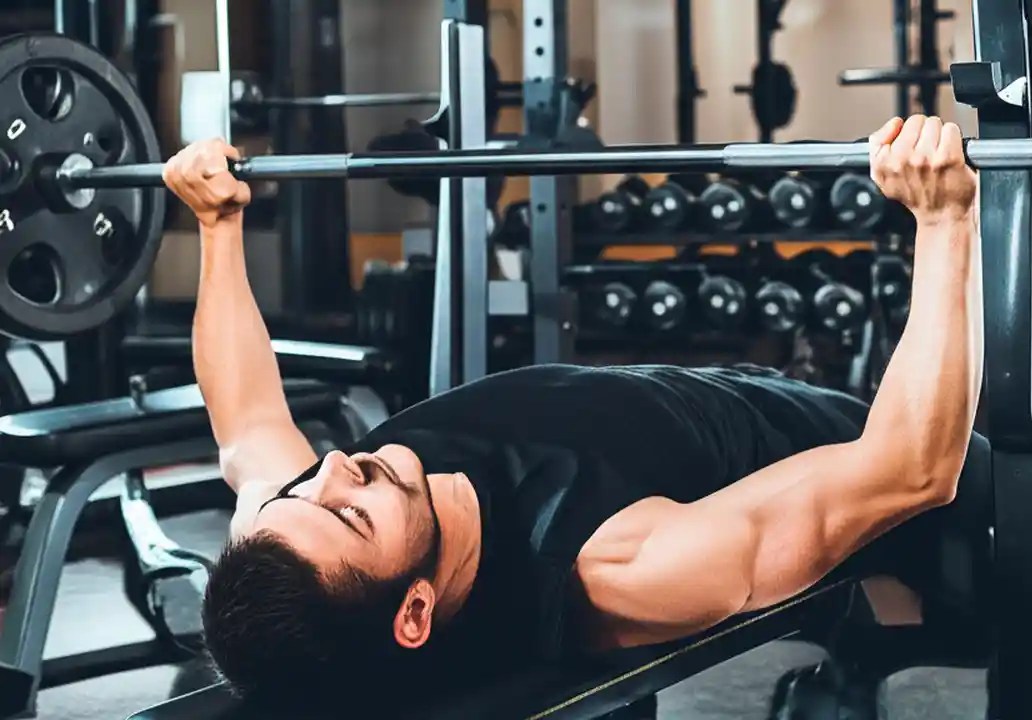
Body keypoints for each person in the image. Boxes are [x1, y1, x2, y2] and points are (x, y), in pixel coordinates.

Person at [164, 114, 982, 712]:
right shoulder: (621, 565)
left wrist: (216, 222)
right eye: (350, 513)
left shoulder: (294, 534)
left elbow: (246, 424)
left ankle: (851, 667)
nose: (337, 469)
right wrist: (944, 219)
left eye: (303, 490)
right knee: (999, 573)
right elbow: (911, 470)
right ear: (414, 610)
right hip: (901, 476)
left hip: (707, 392)